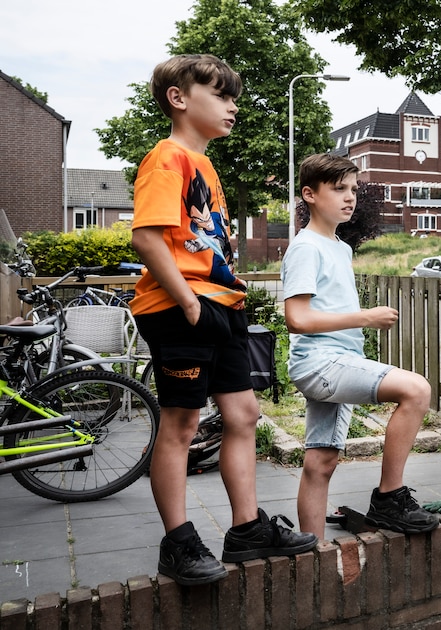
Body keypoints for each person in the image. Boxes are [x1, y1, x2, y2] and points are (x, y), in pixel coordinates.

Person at [130, 54, 316, 587]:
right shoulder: (167, 158)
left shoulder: (205, 164)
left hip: (223, 305)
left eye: (233, 97)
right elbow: (146, 237)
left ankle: (247, 530)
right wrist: (188, 301)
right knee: (182, 423)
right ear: (180, 99)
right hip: (181, 308)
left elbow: (199, 235)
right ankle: (178, 542)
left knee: (243, 414)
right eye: (221, 95)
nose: (233, 106)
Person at [282, 153, 440, 537]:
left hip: (339, 358)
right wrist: (365, 317)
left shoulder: (339, 246)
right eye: (339, 189)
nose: (350, 197)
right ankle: (389, 498)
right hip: (321, 362)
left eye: (353, 189)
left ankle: (313, 556)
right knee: (416, 390)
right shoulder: (307, 247)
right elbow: (297, 319)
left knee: (321, 460)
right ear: (310, 194)